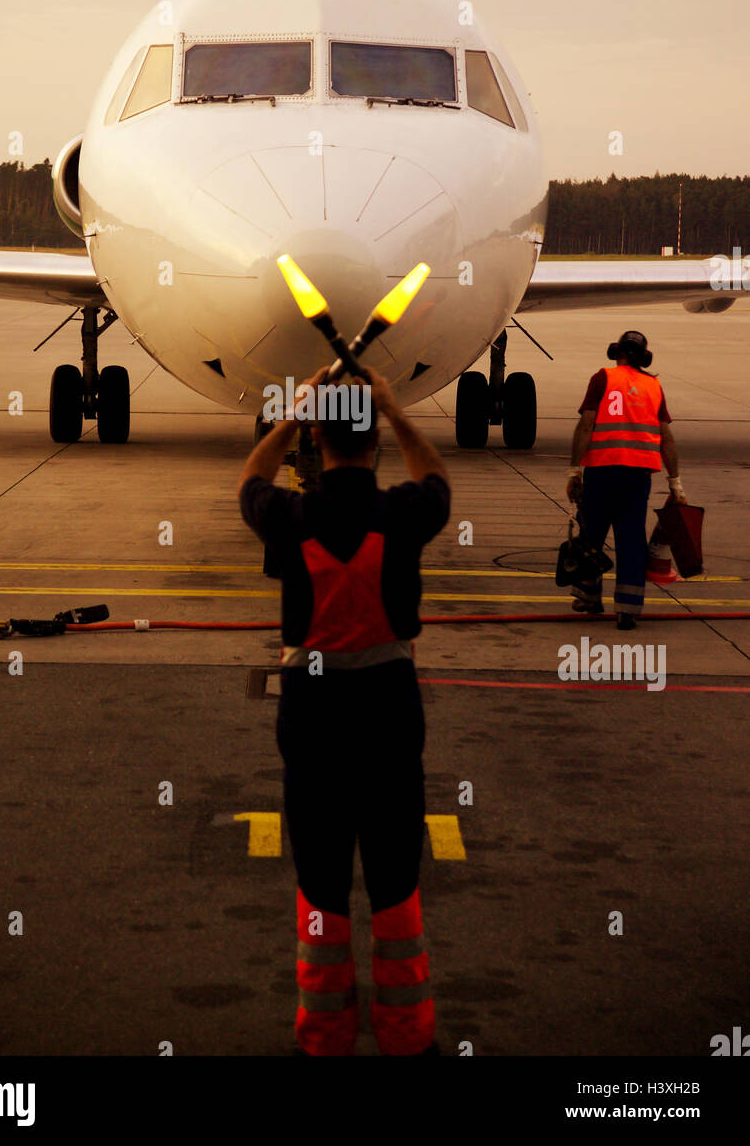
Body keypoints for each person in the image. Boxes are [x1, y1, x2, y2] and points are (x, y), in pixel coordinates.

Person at [238, 366, 450, 1056]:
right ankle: (407, 1032)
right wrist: (394, 408)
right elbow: (437, 480)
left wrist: (293, 416)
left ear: (318, 440)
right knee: (394, 886)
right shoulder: (402, 514)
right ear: (375, 441)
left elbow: (249, 481)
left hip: (313, 723)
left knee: (322, 885)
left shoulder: (290, 518)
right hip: (389, 721)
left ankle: (325, 1035)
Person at [566, 330, 686, 630]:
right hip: (637, 476)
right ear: (645, 357)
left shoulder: (603, 378)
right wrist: (676, 484)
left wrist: (574, 471)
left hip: (603, 471)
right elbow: (666, 438)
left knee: (590, 535)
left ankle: (588, 597)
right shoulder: (653, 386)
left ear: (615, 351)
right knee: (631, 540)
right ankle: (628, 610)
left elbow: (586, 425)